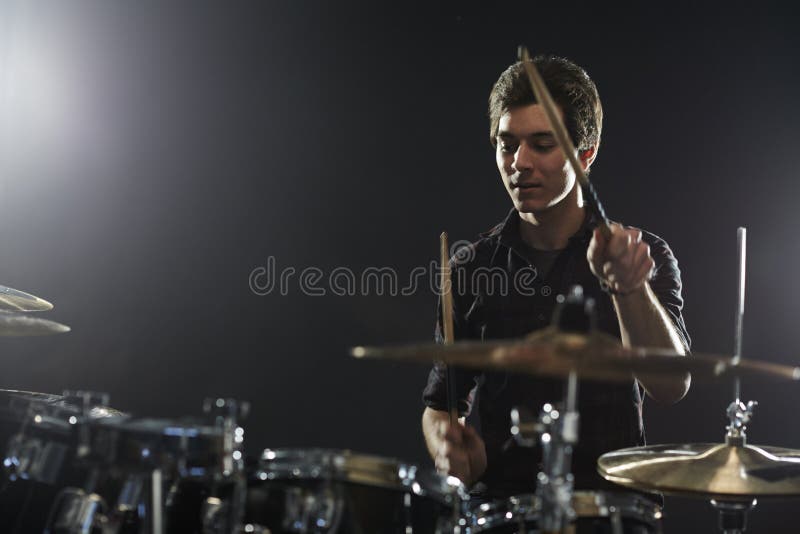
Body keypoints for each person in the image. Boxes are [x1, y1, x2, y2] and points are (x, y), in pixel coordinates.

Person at [421, 55, 690, 498]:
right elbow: (440, 404)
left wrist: (628, 287)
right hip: (504, 512)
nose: (519, 162)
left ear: (586, 154)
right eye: (507, 144)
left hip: (611, 511)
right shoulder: (470, 267)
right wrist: (448, 447)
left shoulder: (645, 253)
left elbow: (671, 385)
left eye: (542, 144)